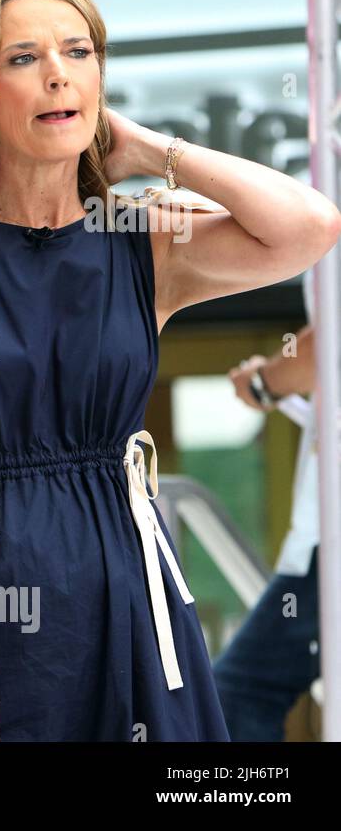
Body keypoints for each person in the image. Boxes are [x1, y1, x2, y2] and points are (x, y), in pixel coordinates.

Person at [0, 0, 340, 742]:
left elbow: (309, 227)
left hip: (132, 594)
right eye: (24, 59)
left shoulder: (139, 237)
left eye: (78, 53)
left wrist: (147, 147)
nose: (57, 76)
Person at [216, 265, 323, 740]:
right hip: (322, 545)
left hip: (329, 548)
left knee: (240, 691)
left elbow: (328, 342)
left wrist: (266, 382)